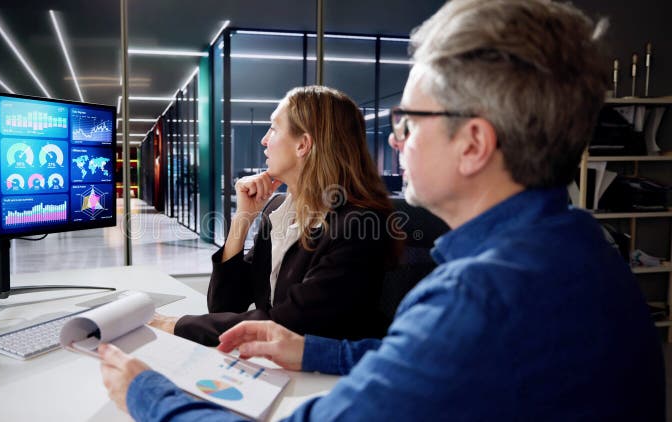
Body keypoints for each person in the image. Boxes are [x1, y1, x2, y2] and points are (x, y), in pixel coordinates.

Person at [99, 0, 665, 420]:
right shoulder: (581, 245)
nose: (395, 142)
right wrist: (319, 351)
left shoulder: (482, 296)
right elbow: (433, 355)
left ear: (472, 143)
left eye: (409, 122)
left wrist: (147, 392)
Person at [149, 86, 397, 346]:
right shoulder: (281, 212)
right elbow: (224, 305)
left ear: (303, 144)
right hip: (282, 367)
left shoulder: (356, 226)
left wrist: (176, 324)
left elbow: (284, 325)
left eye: (274, 129)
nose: (264, 140)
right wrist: (244, 218)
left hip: (330, 377)